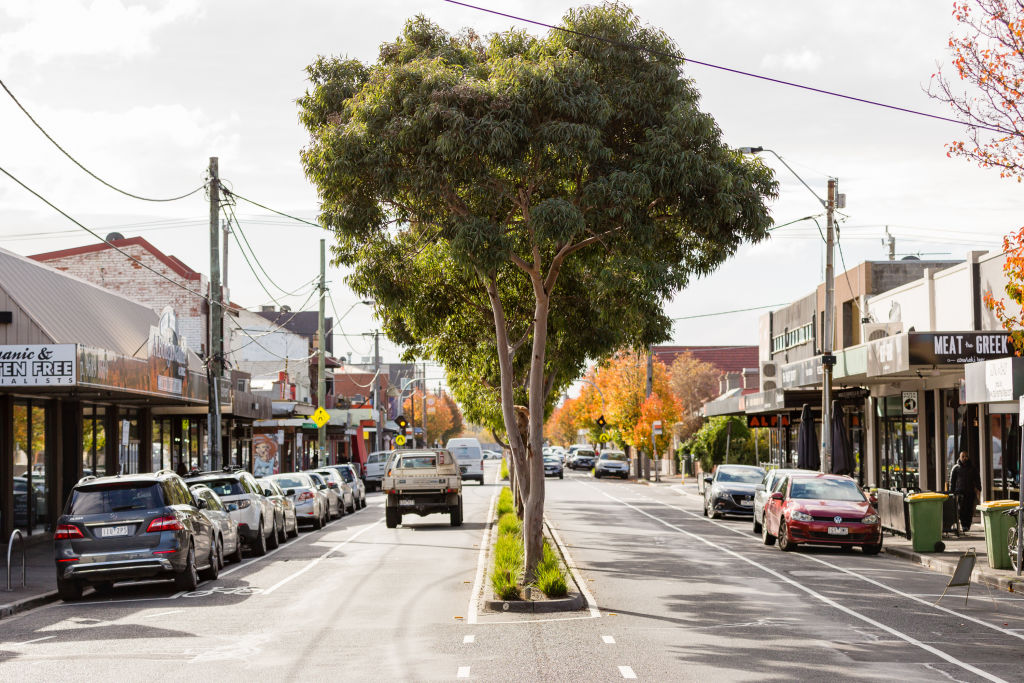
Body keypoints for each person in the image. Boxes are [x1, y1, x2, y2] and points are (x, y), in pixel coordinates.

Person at [949, 451, 981, 532]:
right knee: (961, 510)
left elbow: (977, 479)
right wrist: (951, 492)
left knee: (969, 510)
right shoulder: (956, 468)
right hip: (959, 492)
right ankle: (963, 525)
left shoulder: (972, 468)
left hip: (970, 492)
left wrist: (979, 488)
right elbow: (952, 481)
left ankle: (967, 525)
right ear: (959, 457)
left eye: (966, 456)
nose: (964, 458)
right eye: (962, 456)